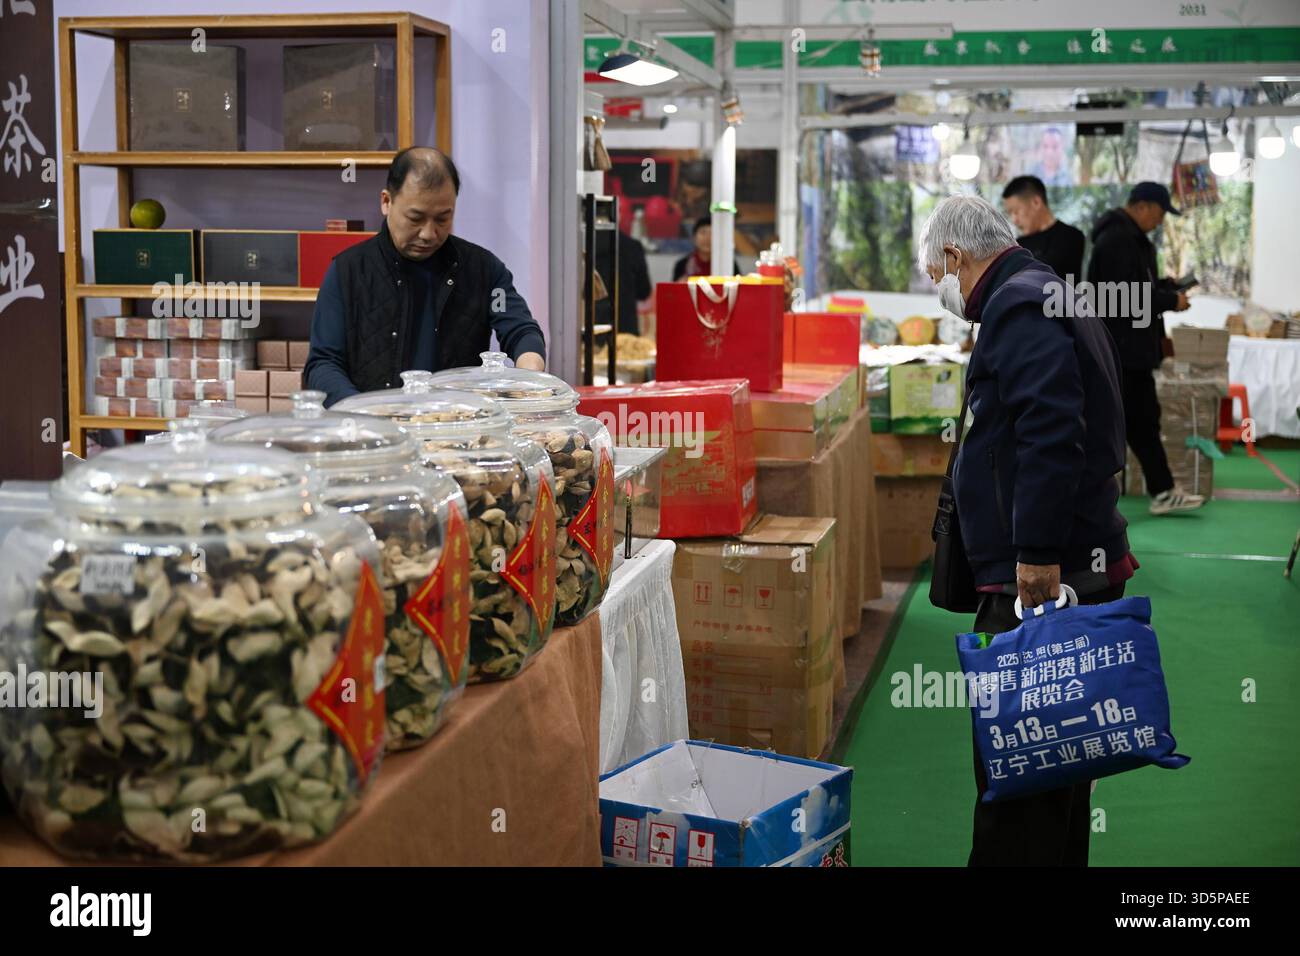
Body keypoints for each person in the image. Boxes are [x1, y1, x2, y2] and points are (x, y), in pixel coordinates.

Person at [918, 194, 1138, 867]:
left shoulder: (1017, 304)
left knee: (1020, 761)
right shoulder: (1049, 291)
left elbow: (1050, 430)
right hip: (1075, 556)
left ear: (956, 256)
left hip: (1047, 573)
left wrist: (1036, 554)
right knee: (1058, 762)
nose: (940, 289)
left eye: (936, 273)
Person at [304, 147, 546, 407]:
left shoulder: (483, 269)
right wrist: (365, 414)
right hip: (370, 433)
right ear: (387, 202)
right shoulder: (348, 271)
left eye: (443, 218)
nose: (429, 234)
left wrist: (529, 377)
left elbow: (521, 330)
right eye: (415, 218)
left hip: (458, 431)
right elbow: (323, 364)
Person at [1086, 182, 1203, 515]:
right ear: (1144, 206)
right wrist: (1169, 300)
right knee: (1128, 424)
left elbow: (1134, 287)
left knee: (1138, 423)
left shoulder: (1129, 240)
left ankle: (1163, 490)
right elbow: (1120, 297)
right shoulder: (1118, 240)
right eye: (1161, 212)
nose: (1161, 220)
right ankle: (1158, 491)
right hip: (1122, 352)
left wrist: (1166, 288)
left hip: (1128, 350)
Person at [1001, 175, 1085, 281]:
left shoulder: (1071, 237)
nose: (1014, 220)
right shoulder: (1018, 245)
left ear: (1036, 202)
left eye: (1016, 211)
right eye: (1010, 214)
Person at [596, 230, 651, 336]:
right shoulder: (632, 246)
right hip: (626, 327)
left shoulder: (582, 245)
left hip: (592, 325)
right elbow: (644, 291)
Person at [671, 217, 740, 281]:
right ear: (694, 238)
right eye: (703, 233)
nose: (707, 238)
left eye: (712, 233)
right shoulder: (682, 264)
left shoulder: (728, 264)